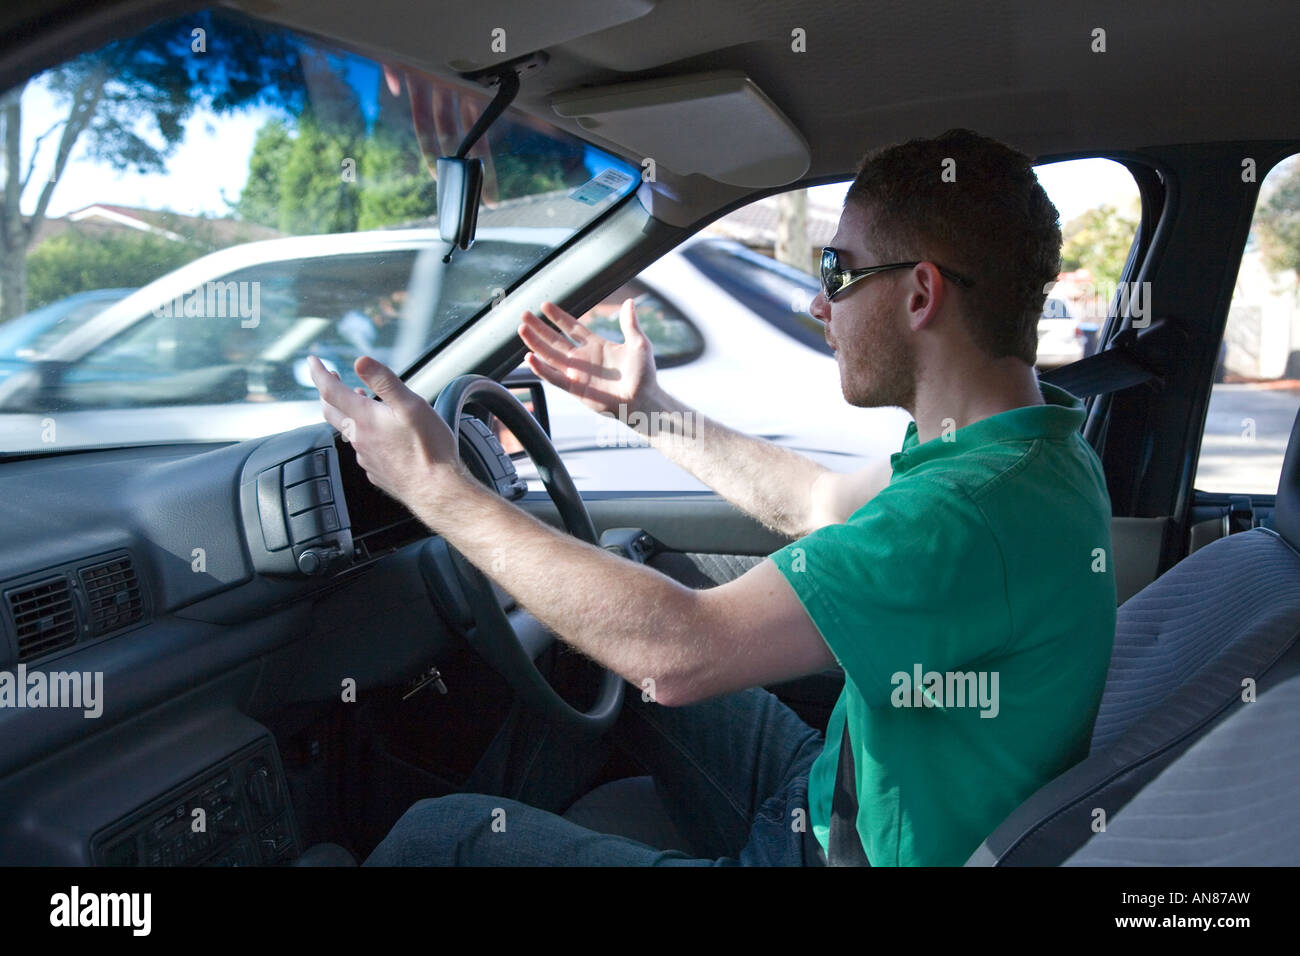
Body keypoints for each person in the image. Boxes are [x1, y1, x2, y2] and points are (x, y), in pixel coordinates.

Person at [309, 128, 1117, 866]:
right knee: (590, 653)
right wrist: (650, 412)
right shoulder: (1029, 455)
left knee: (438, 836)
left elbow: (678, 654)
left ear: (919, 295)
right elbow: (824, 502)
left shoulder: (963, 513)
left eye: (836, 271)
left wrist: (437, 488)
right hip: (833, 792)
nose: (817, 300)